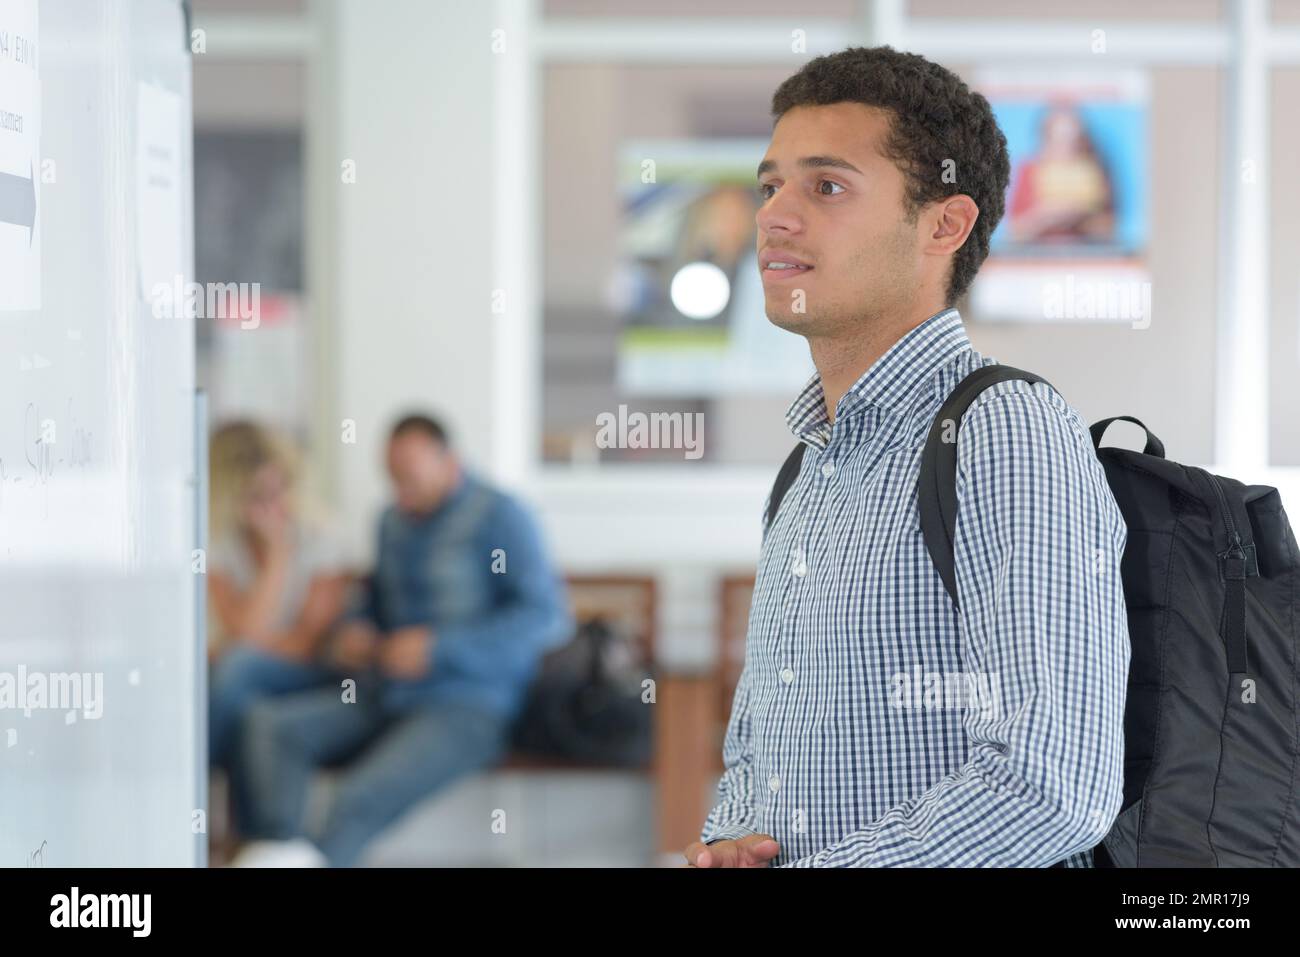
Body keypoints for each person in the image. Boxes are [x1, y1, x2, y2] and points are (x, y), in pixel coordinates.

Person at [688, 46, 1130, 868]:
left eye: (826, 187)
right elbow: (760, 740)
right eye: (770, 185)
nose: (775, 215)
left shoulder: (1004, 430)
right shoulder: (808, 466)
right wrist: (733, 840)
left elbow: (1053, 784)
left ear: (944, 225)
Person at [232, 414, 572, 867]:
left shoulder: (502, 518)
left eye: (409, 477)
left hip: (467, 706)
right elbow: (375, 601)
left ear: (450, 462)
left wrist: (439, 649)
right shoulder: (391, 522)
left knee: (356, 797)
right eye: (392, 477)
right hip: (386, 693)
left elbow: (545, 617)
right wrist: (355, 627)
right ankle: (279, 853)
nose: (400, 490)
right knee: (271, 727)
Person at [206, 422, 351, 825]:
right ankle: (262, 847)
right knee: (249, 710)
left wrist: (279, 556)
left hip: (312, 675)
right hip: (239, 684)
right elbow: (244, 634)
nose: (275, 506)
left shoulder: (323, 537)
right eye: (257, 496)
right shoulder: (218, 543)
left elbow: (306, 644)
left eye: (280, 488)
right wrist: (274, 564)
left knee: (238, 670)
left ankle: (190, 788)